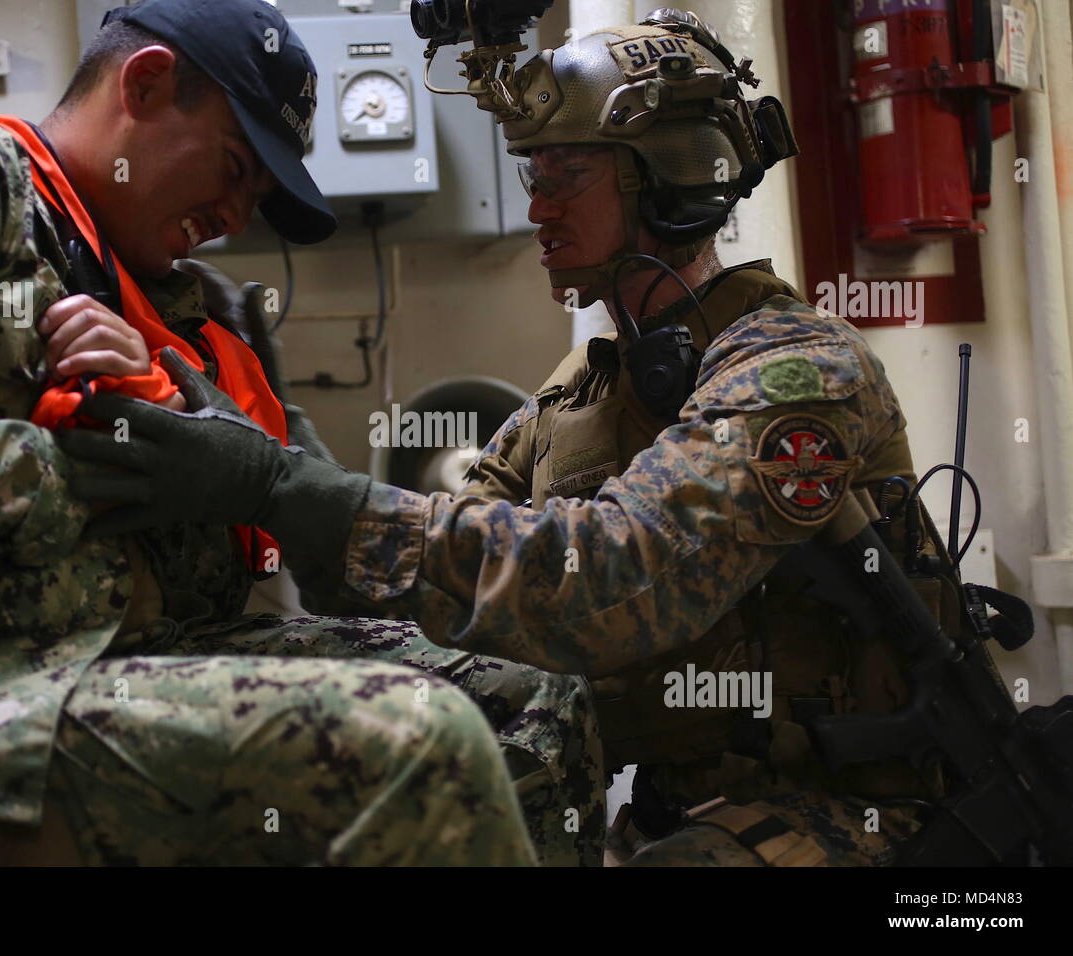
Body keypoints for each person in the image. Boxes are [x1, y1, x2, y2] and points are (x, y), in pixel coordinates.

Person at [62, 9, 965, 866]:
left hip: (851, 810)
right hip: (672, 815)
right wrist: (263, 424)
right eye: (531, 174)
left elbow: (618, 575)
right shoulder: (577, 394)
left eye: (563, 175)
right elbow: (434, 579)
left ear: (669, 174)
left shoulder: (796, 366)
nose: (537, 208)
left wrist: (277, 486)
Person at [0, 0, 604, 866]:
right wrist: (94, 473)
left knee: (537, 690)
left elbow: (277, 504)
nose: (238, 214)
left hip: (155, 652)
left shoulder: (185, 301)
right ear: (146, 81)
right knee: (414, 742)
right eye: (237, 167)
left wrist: (193, 427)